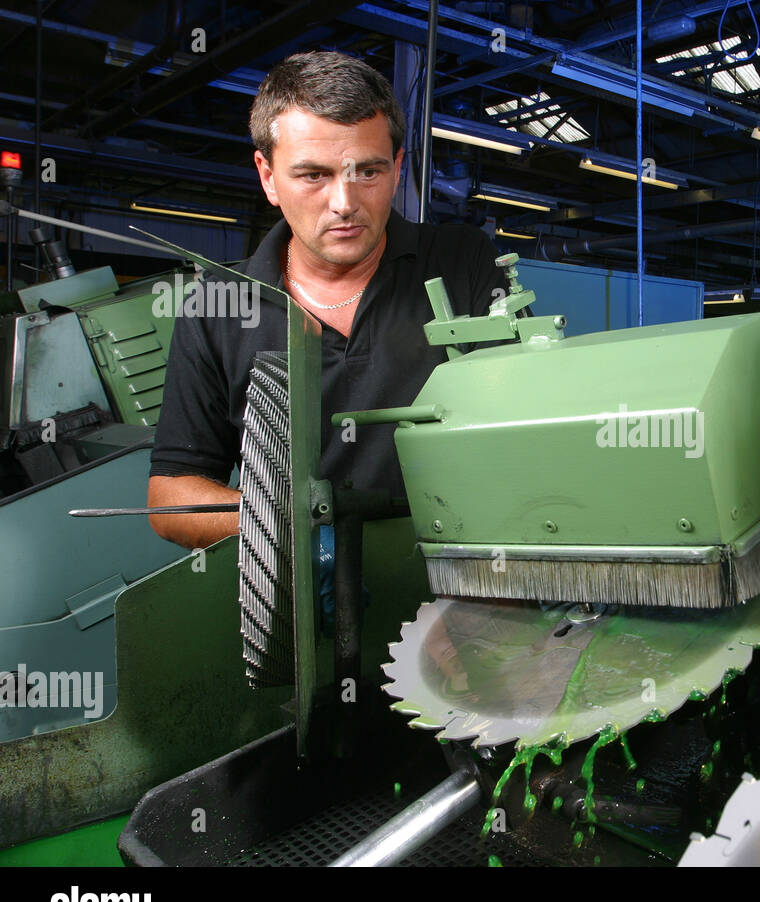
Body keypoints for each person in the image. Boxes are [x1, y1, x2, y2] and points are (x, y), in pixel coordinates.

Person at [148, 51, 506, 548]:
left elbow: (527, 425)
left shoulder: (463, 261)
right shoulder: (215, 306)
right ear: (268, 176)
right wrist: (299, 523)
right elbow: (171, 498)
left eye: (368, 172)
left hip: (458, 576)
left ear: (399, 168)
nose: (344, 202)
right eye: (313, 175)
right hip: (299, 601)